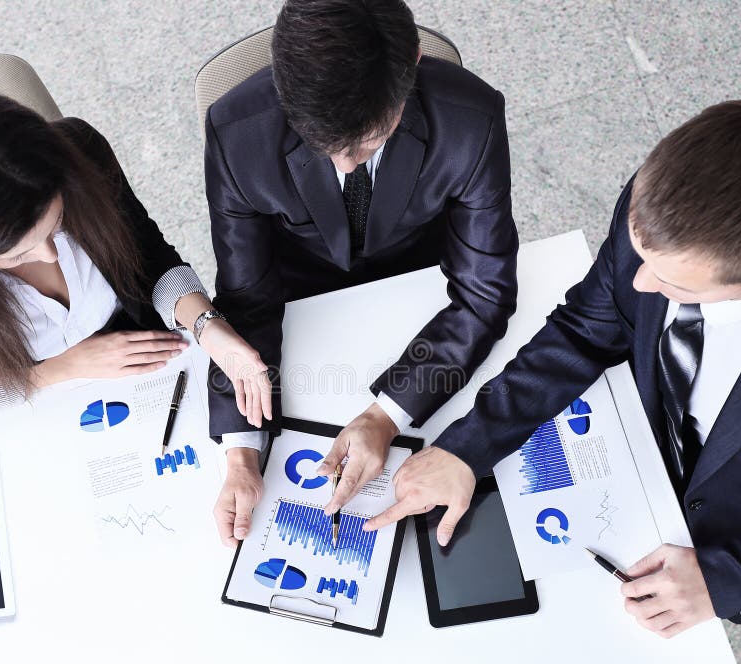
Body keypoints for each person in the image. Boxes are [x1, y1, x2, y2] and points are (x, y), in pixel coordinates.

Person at [367, 100, 741, 636]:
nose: (642, 287)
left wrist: (730, 580)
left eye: (678, 287)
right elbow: (588, 328)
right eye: (639, 257)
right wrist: (466, 447)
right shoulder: (659, 206)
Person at [205, 0, 519, 547]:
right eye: (326, 146)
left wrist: (387, 414)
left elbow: (484, 293)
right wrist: (241, 451)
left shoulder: (473, 121)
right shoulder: (236, 134)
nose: (347, 164)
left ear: (415, 62)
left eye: (371, 139)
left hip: (421, 293)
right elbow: (245, 295)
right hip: (301, 305)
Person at [0, 89, 271, 420]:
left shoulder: (82, 151)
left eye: (56, 225)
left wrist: (206, 324)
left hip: (149, 377)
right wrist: (62, 368)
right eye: (16, 256)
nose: (50, 256)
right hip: (27, 414)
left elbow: (151, 260)